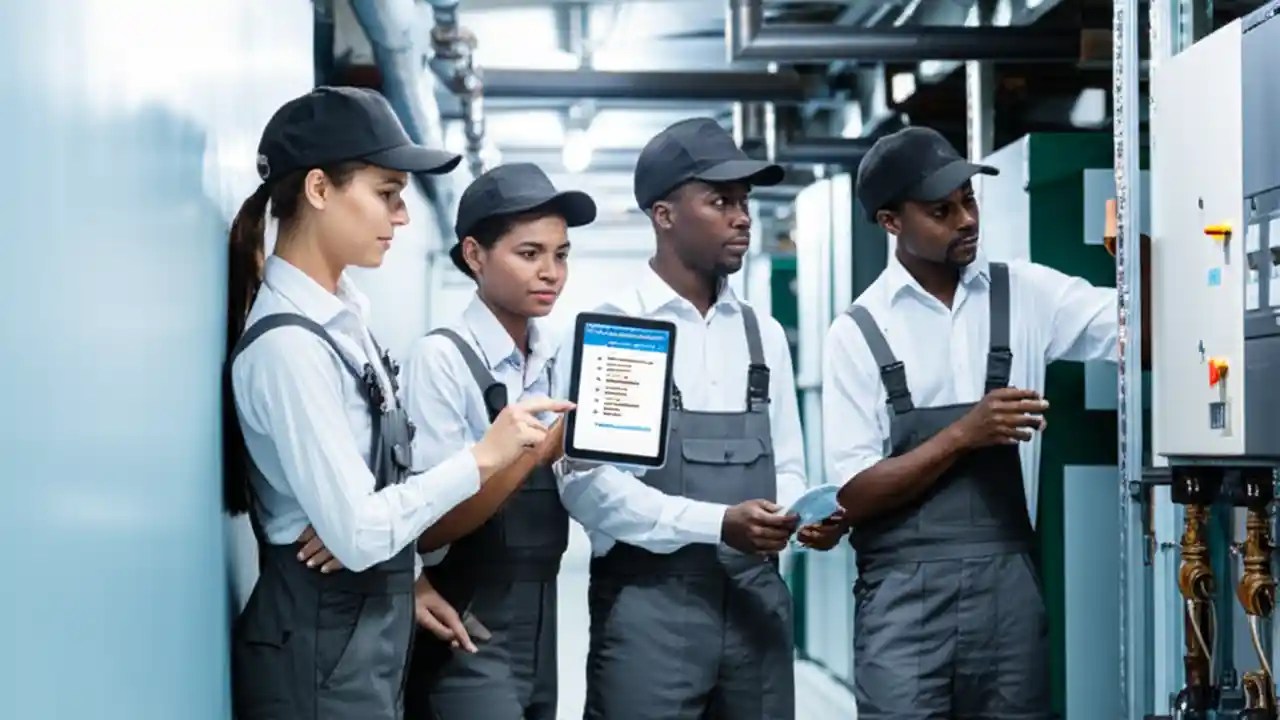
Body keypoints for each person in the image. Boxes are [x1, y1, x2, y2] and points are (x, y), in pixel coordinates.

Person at [221, 85, 572, 720]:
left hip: (363, 631)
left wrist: (406, 573)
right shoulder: (288, 349)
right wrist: (484, 458)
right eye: (387, 194)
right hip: (317, 647)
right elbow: (356, 532)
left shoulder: (347, 322)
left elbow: (366, 507)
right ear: (320, 189)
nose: (403, 217)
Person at [820, 125, 1120, 719]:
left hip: (1008, 591)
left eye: (969, 200)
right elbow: (852, 495)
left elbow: (1137, 333)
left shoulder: (1027, 293)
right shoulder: (855, 333)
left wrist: (1138, 251)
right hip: (900, 606)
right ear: (891, 222)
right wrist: (964, 434)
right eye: (941, 209)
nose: (965, 220)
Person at [554, 117, 837, 720]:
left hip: (757, 604)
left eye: (744, 201)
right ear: (664, 215)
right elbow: (592, 489)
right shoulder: (620, 331)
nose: (742, 217)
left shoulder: (764, 335)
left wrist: (789, 514)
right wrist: (718, 524)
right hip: (651, 611)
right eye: (719, 201)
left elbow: (787, 461)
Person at [398, 163, 597, 720]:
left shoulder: (557, 355)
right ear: (475, 254)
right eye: (529, 253)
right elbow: (434, 526)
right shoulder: (441, 361)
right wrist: (536, 452)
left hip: (542, 616)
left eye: (561, 255)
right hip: (468, 623)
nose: (551, 273)